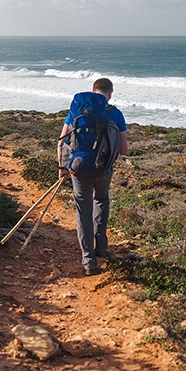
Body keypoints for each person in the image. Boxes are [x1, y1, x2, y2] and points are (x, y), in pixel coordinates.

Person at [58, 78, 128, 276]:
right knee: (101, 201)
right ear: (110, 93)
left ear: (93, 90)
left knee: (83, 211)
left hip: (78, 169)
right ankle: (101, 248)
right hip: (104, 169)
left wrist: (62, 167)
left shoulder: (75, 111)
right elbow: (123, 150)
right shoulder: (115, 113)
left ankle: (88, 261)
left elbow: (61, 143)